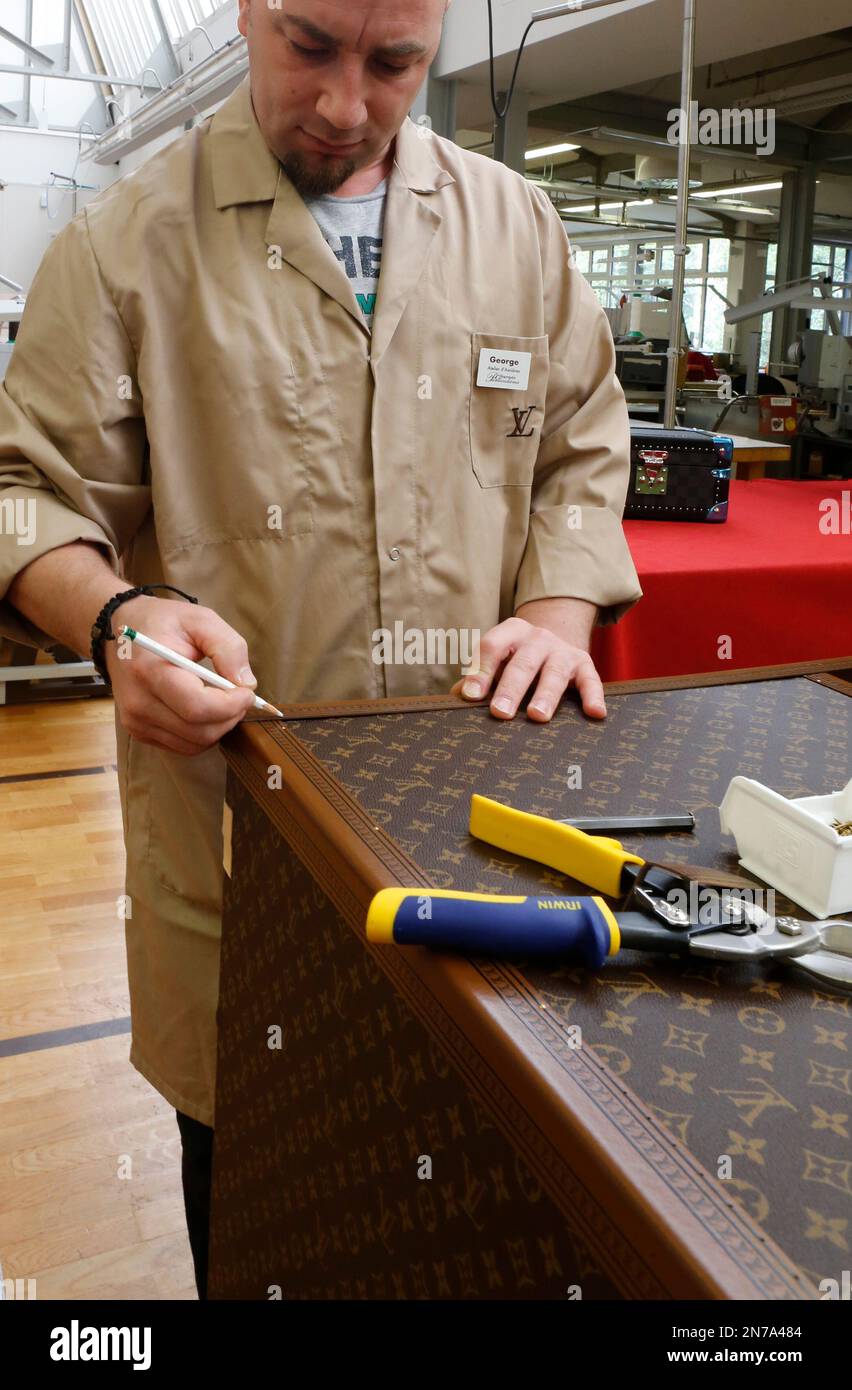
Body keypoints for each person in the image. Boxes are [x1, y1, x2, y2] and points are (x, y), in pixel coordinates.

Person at [0, 0, 641, 1298]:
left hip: (481, 840)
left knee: (481, 1207)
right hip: (246, 863)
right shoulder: (126, 246)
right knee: (269, 1221)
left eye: (395, 61)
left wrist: (562, 601)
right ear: (245, 9)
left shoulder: (517, 231)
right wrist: (116, 617)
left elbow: (584, 438)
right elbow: (27, 491)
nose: (348, 104)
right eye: (310, 45)